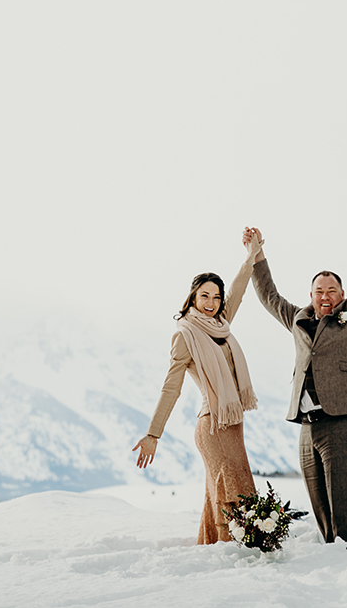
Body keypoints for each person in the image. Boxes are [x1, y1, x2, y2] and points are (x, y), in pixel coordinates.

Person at [248, 200, 347, 546]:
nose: (325, 296)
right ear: (311, 295)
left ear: (340, 294)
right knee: (320, 506)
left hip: (342, 422)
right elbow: (269, 296)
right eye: (319, 291)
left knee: (345, 507)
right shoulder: (298, 320)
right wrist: (257, 255)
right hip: (307, 427)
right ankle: (332, 565)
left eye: (331, 291)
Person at [133, 233, 263, 544]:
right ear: (193, 297)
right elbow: (171, 388)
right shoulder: (186, 334)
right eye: (204, 296)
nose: (211, 303)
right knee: (233, 486)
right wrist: (153, 434)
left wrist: (252, 254)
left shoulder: (221, 324)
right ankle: (235, 547)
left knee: (222, 487)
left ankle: (211, 547)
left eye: (216, 297)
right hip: (213, 425)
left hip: (233, 423)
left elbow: (239, 290)